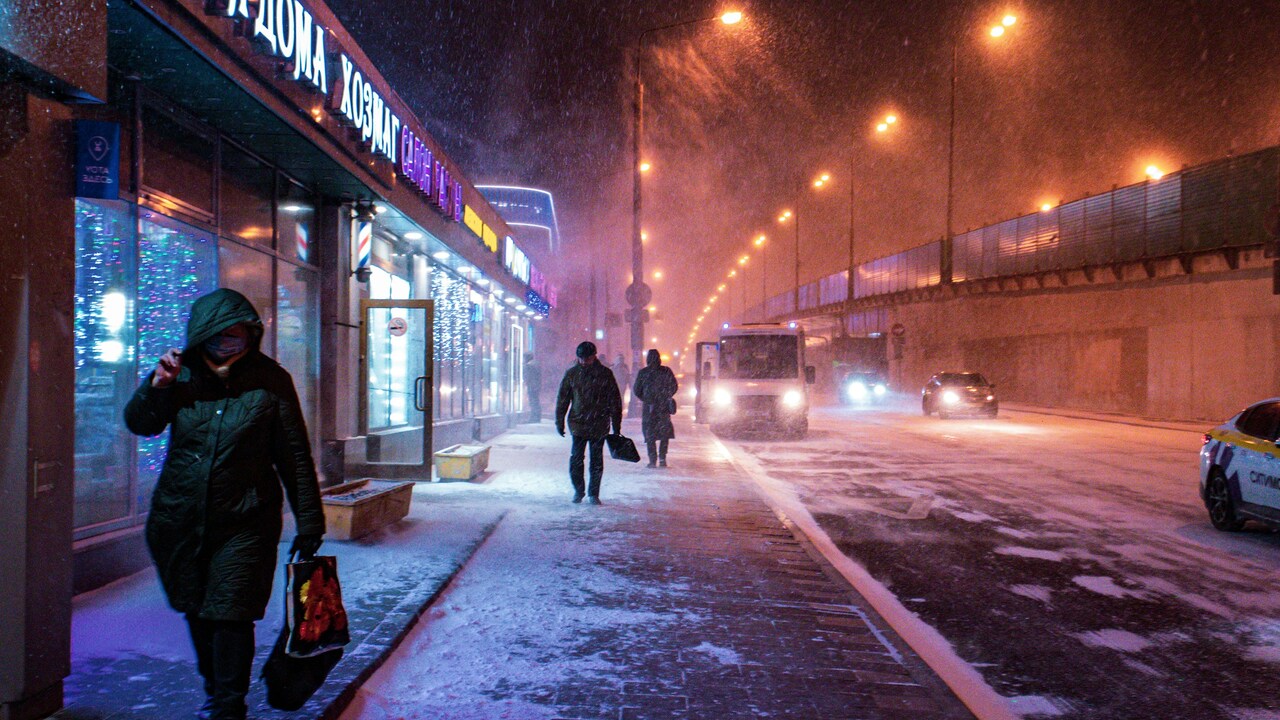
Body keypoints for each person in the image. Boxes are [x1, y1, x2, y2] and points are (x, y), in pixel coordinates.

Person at [124, 288, 324, 720]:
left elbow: (294, 455)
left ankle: (229, 705)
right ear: (203, 335)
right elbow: (141, 425)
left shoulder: (271, 380)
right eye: (221, 335)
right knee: (197, 609)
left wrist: (310, 522)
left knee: (232, 612)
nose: (230, 342)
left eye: (239, 334)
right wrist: (156, 388)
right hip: (179, 518)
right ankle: (216, 689)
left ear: (252, 334)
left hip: (246, 521)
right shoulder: (179, 374)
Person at [555, 341, 623, 504]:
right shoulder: (572, 374)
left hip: (598, 424)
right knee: (576, 459)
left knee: (596, 460)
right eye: (581, 359)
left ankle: (593, 493)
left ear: (594, 356)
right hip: (579, 423)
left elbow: (614, 400)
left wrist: (616, 424)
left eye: (587, 358)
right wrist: (559, 421)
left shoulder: (605, 374)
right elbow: (563, 399)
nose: (584, 362)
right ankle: (579, 490)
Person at [632, 348, 679, 468]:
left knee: (650, 434)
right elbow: (674, 386)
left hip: (650, 408)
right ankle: (662, 458)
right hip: (663, 408)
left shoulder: (643, 373)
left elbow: (637, 390)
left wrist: (646, 399)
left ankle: (652, 460)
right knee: (664, 433)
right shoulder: (666, 371)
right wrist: (666, 396)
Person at [524, 352, 542, 422]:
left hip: (531, 386)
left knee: (533, 402)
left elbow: (528, 377)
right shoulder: (536, 364)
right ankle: (537, 417)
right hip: (537, 385)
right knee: (536, 401)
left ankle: (534, 417)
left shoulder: (529, 365)